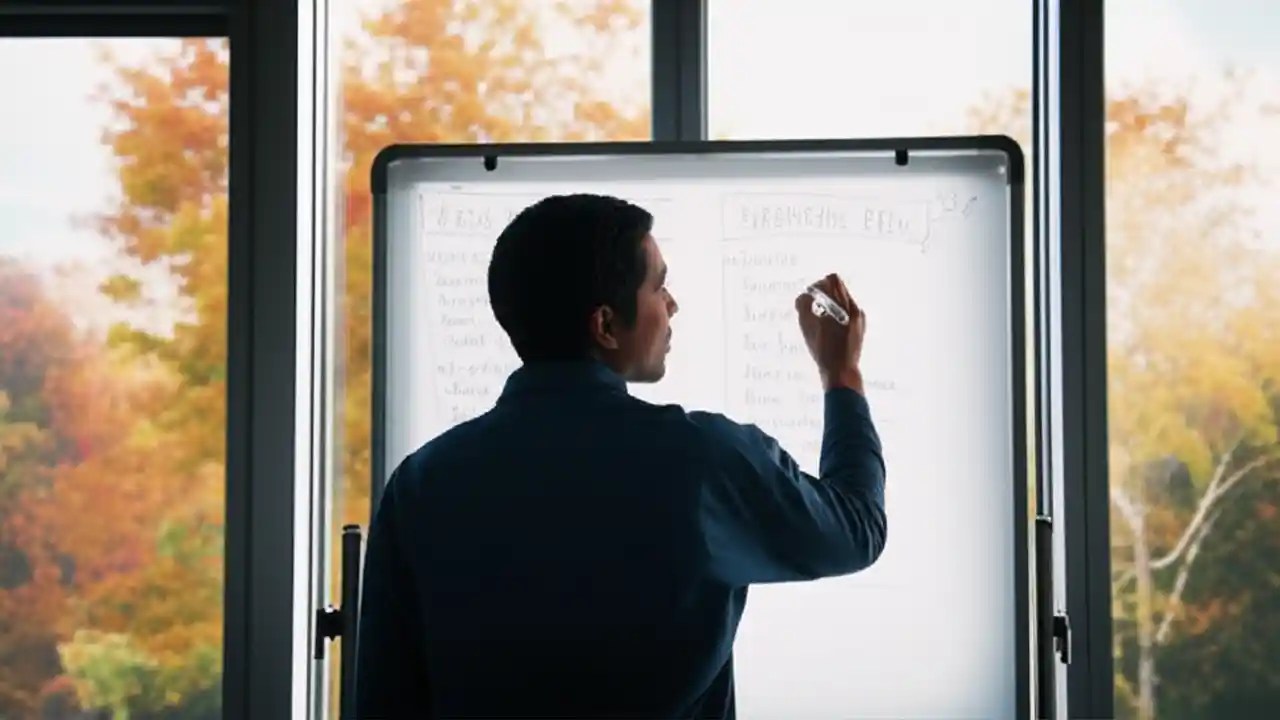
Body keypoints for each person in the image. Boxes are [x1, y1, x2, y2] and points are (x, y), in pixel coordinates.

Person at [354, 193, 887, 719]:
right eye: (659, 286)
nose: (672, 304)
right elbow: (856, 528)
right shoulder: (703, 464)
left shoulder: (422, 484)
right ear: (606, 325)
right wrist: (840, 373)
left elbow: (386, 699)